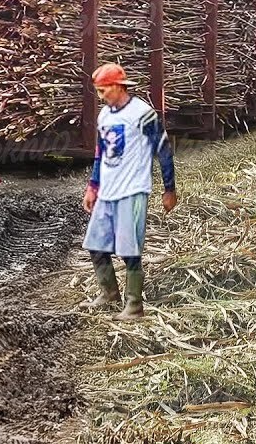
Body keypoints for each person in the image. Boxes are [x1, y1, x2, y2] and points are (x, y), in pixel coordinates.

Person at [82, 63, 177, 320]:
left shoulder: (142, 114)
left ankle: (134, 305)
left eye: (104, 91)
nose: (101, 97)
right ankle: (109, 293)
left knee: (129, 249)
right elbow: (100, 155)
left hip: (133, 190)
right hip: (108, 192)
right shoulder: (105, 116)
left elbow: (163, 149)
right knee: (96, 244)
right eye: (99, 92)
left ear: (118, 86)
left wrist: (169, 188)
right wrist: (93, 186)